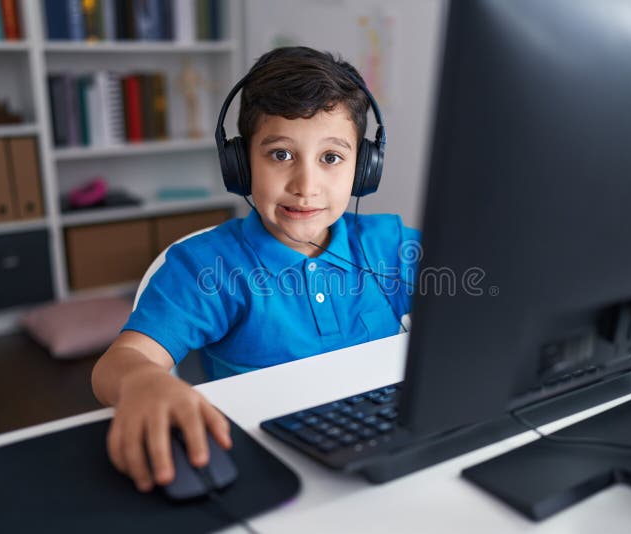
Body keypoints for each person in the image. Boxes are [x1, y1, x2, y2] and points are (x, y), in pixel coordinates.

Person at [91, 46, 420, 493]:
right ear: (241, 165)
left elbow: (494, 286)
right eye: (281, 155)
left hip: (385, 455)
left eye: (331, 158)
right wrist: (142, 383)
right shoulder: (207, 267)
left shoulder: (389, 245)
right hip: (270, 467)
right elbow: (121, 362)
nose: (306, 186)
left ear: (363, 168)